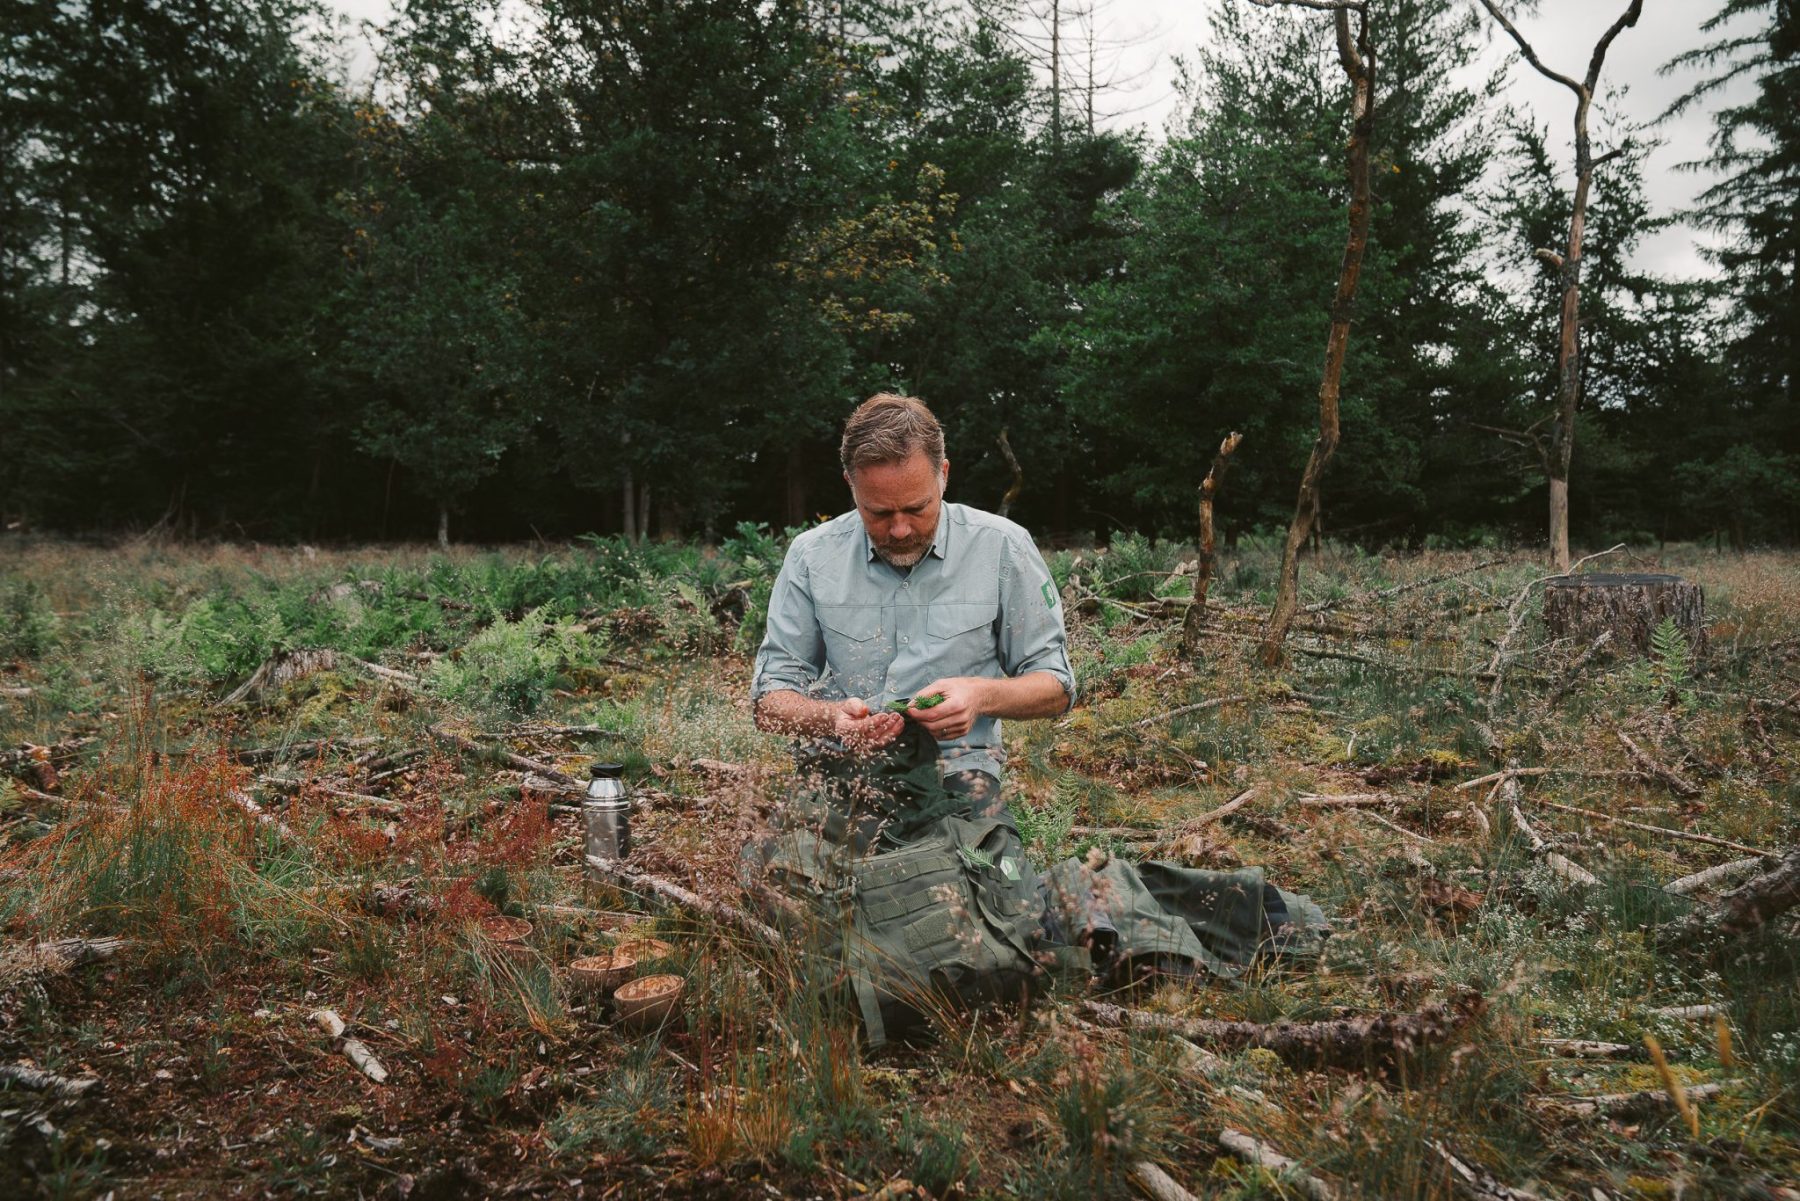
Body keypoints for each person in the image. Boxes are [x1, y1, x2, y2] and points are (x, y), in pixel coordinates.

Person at [751, 393, 1074, 821]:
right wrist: (832, 720)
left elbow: (1056, 686)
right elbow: (768, 699)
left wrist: (979, 695)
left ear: (943, 474)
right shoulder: (812, 556)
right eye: (878, 512)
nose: (900, 529)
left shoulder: (1003, 547)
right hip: (840, 769)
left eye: (917, 508)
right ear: (851, 485)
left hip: (959, 770)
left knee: (973, 882)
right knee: (797, 882)